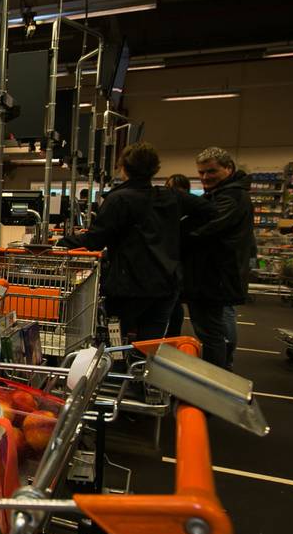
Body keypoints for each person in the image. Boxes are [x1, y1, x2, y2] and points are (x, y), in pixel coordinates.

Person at [60, 143, 212, 343]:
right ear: (155, 169)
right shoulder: (171, 196)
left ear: (124, 168)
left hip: (128, 285)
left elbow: (95, 240)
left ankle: (118, 371)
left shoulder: (119, 199)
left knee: (117, 340)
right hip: (165, 283)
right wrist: (177, 231)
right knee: (149, 343)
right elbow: (208, 211)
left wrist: (64, 242)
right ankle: (142, 371)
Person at [181, 147, 256, 370]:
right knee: (215, 327)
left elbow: (207, 229)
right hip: (214, 273)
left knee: (212, 331)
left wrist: (175, 235)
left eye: (211, 171)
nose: (205, 177)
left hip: (216, 275)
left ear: (228, 168)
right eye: (201, 173)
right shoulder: (222, 194)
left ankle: (216, 375)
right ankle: (220, 370)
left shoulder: (231, 197)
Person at [163, 174, 192, 337]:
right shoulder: (171, 209)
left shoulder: (186, 212)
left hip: (178, 265)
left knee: (173, 306)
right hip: (172, 264)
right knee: (173, 306)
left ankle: (172, 339)